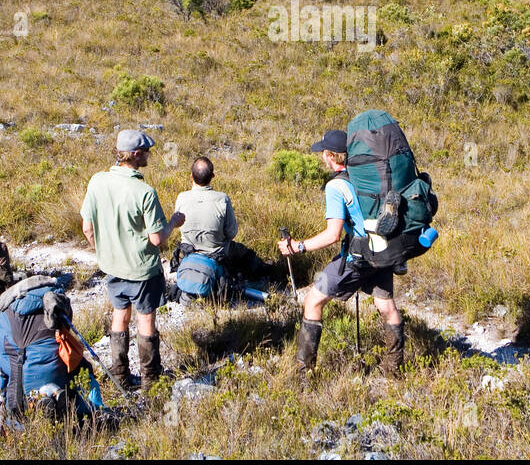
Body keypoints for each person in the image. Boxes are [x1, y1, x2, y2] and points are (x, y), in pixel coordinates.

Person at [277, 129, 405, 377]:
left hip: (357, 257)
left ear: (330, 156)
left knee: (313, 301)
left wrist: (298, 246)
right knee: (386, 305)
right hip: (382, 250)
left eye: (324, 154)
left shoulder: (336, 186)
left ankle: (304, 372)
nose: (323, 158)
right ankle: (394, 369)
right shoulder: (366, 177)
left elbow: (332, 234)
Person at [80, 129, 184, 391]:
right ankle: (151, 381)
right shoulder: (144, 191)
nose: (149, 155)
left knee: (119, 316)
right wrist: (173, 222)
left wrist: (103, 251)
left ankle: (121, 377)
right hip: (141, 269)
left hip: (112, 266)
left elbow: (87, 228)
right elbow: (157, 239)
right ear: (136, 155)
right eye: (147, 151)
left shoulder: (97, 181)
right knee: (146, 320)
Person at [171, 156, 273, 281]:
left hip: (189, 252)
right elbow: (231, 233)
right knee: (244, 253)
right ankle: (268, 275)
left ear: (191, 176)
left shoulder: (181, 197)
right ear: (212, 176)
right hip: (217, 255)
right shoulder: (222, 199)